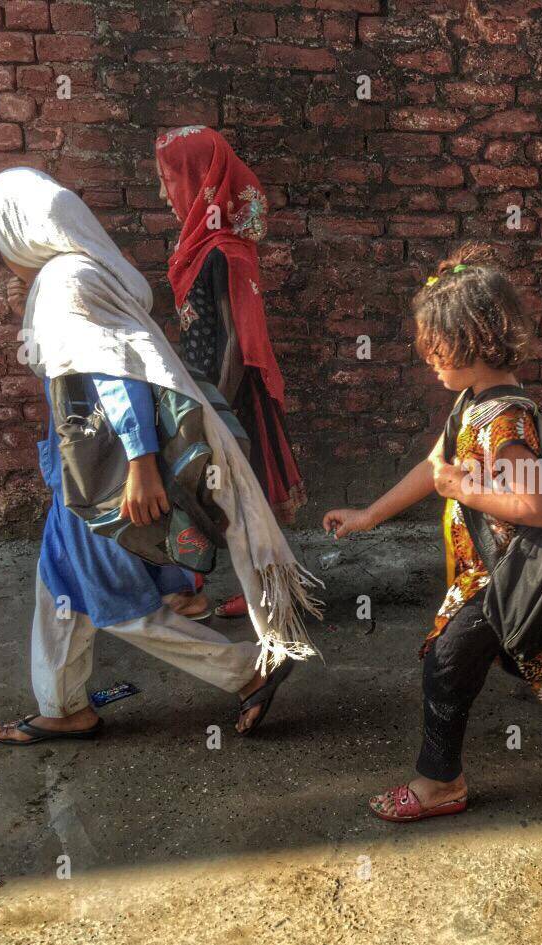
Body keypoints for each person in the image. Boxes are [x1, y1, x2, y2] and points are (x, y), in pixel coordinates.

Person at [323, 246, 542, 823]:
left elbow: (534, 508)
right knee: (523, 657)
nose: (430, 360)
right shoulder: (472, 403)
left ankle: (441, 782)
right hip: (484, 572)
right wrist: (370, 514)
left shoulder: (505, 420)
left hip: (504, 578)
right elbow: (433, 466)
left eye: (436, 348)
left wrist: (459, 488)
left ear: (471, 342)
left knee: (446, 662)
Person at [0, 168, 320, 744]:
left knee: (112, 598)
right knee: (61, 588)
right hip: (81, 468)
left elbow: (116, 373)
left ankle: (249, 669)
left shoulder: (66, 283)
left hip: (103, 474)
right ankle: (63, 706)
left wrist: (140, 464)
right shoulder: (79, 273)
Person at [155, 125, 306, 620]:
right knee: (220, 492)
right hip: (207, 390)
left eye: (169, 178)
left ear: (200, 180)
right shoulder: (203, 246)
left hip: (230, 394)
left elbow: (240, 338)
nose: (162, 191)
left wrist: (217, 410)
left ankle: (271, 593)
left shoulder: (225, 251)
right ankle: (214, 585)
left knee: (244, 495)